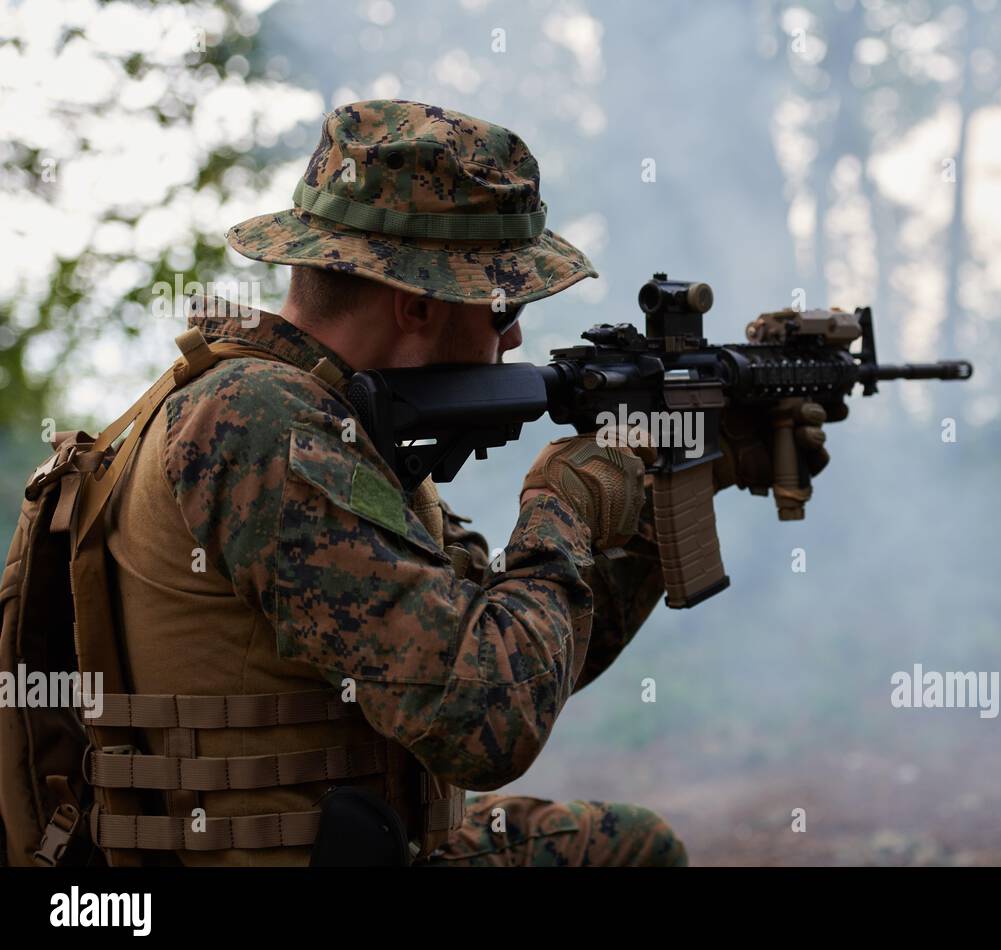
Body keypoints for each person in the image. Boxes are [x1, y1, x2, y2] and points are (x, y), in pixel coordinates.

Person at [93, 100, 828, 866]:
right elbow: (489, 719)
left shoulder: (329, 416)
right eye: (504, 306)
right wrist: (562, 508)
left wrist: (667, 493)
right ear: (414, 306)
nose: (512, 337)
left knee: (628, 847)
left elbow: (522, 660)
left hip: (359, 845)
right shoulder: (258, 422)